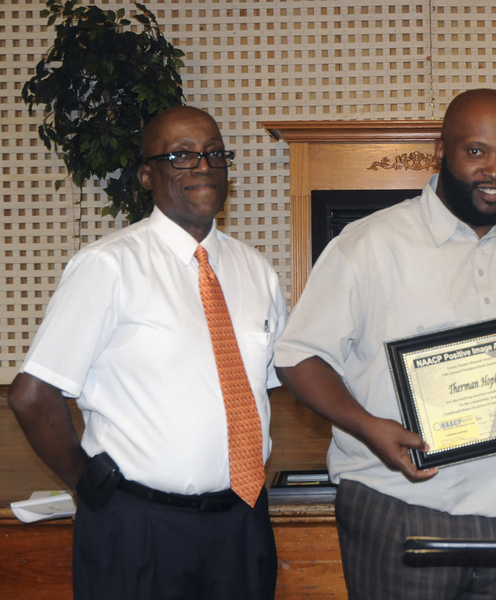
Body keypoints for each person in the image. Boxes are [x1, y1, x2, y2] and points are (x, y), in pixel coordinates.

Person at [274, 88, 496, 599]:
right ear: (441, 151)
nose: (494, 170)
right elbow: (298, 356)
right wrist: (369, 427)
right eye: (475, 151)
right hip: (398, 508)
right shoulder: (369, 244)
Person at [8, 106, 287, 600]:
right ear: (146, 175)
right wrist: (90, 487)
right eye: (181, 156)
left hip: (242, 523)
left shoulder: (255, 270)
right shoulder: (107, 266)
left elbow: (262, 391)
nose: (203, 167)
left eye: (214, 154)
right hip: (139, 528)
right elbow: (33, 396)